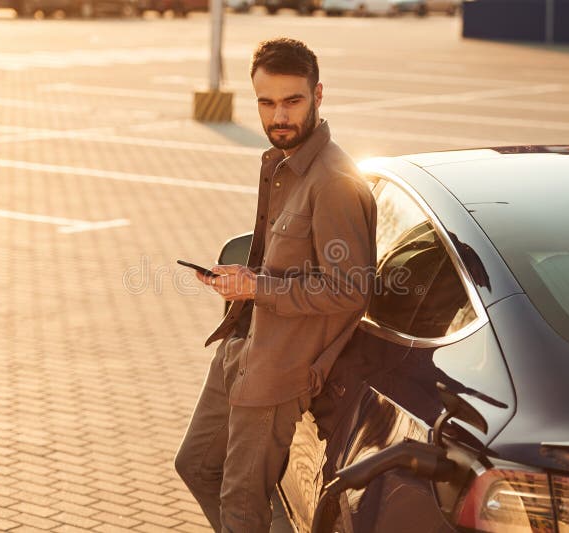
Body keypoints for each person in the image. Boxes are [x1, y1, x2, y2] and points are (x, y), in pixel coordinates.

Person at [175, 37, 377, 532]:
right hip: (242, 347)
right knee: (196, 466)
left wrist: (256, 287)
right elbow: (277, 263)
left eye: (292, 101)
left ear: (318, 95)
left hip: (278, 370)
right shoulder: (281, 165)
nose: (278, 116)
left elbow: (350, 288)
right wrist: (241, 284)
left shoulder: (333, 182)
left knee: (243, 505)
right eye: (266, 103)